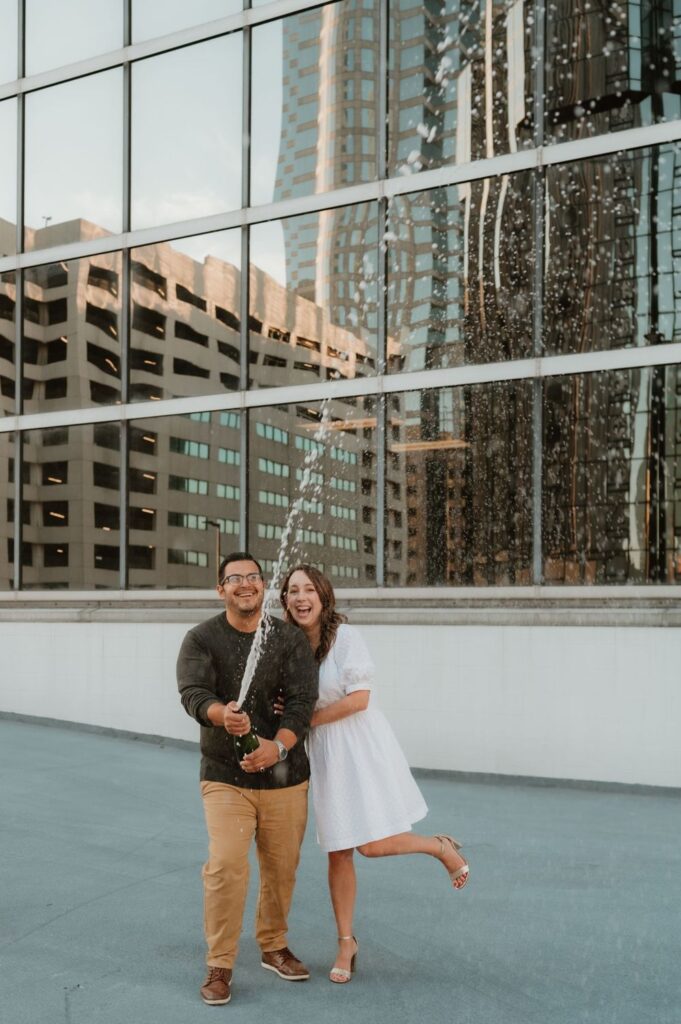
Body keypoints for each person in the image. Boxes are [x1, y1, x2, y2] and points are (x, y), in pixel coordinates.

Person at [279, 564, 469, 985]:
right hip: (326, 755)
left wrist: (306, 718)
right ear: (286, 602)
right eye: (292, 590)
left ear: (323, 596)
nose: (300, 596)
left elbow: (359, 699)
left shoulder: (345, 638)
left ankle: (438, 846)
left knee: (369, 845)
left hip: (359, 745)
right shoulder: (290, 646)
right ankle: (346, 941)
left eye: (308, 588)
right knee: (339, 850)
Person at [177, 552, 318, 1006]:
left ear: (263, 586)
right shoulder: (201, 638)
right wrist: (223, 716)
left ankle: (273, 946)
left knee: (281, 871)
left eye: (253, 577)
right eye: (234, 578)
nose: (245, 584)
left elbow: (302, 702)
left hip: (286, 777)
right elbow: (193, 694)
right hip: (225, 776)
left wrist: (276, 746)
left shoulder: (288, 640)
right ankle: (220, 964)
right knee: (226, 865)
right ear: (220, 589)